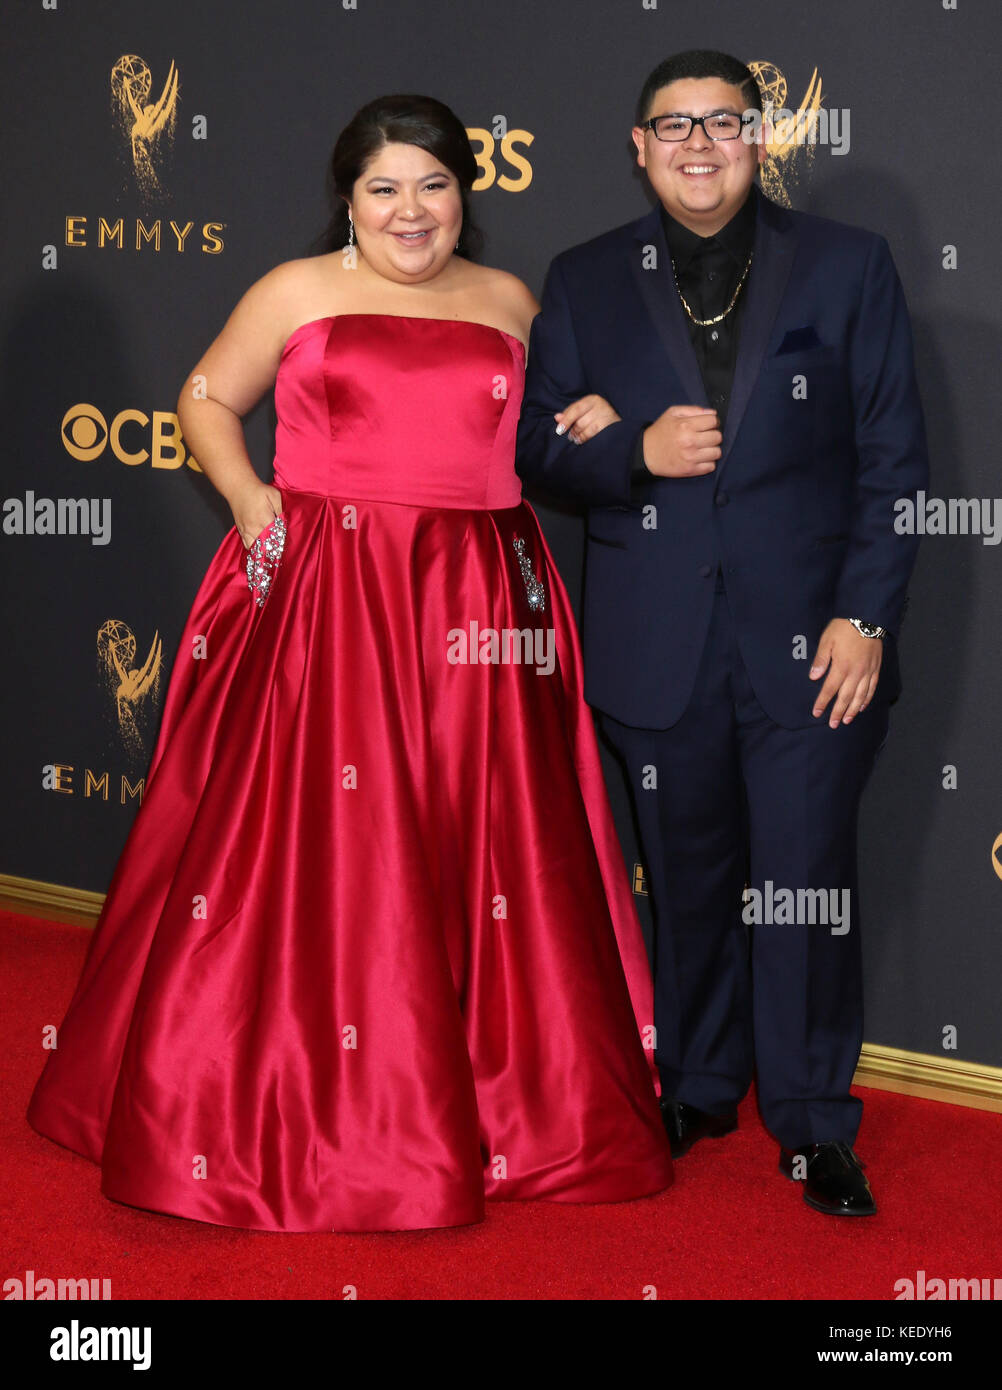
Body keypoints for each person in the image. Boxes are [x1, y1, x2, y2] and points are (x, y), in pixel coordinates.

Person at [27, 94, 673, 1233]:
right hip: (328, 591)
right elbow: (206, 399)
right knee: (316, 852)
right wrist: (249, 496)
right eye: (384, 188)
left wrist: (600, 423)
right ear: (348, 198)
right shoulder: (293, 291)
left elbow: (555, 436)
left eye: (432, 185)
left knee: (486, 843)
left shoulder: (514, 303)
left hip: (476, 597)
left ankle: (502, 1106)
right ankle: (294, 1107)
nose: (410, 211)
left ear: (465, 195)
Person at [516, 51, 928, 1216]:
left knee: (802, 885)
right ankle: (697, 1081)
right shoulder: (585, 277)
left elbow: (897, 461)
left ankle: (811, 1122)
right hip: (657, 644)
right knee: (687, 883)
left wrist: (864, 615)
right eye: (674, 124)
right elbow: (535, 453)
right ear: (638, 146)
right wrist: (629, 451)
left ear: (760, 138)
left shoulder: (848, 268)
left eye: (725, 122)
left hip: (815, 648)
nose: (701, 143)